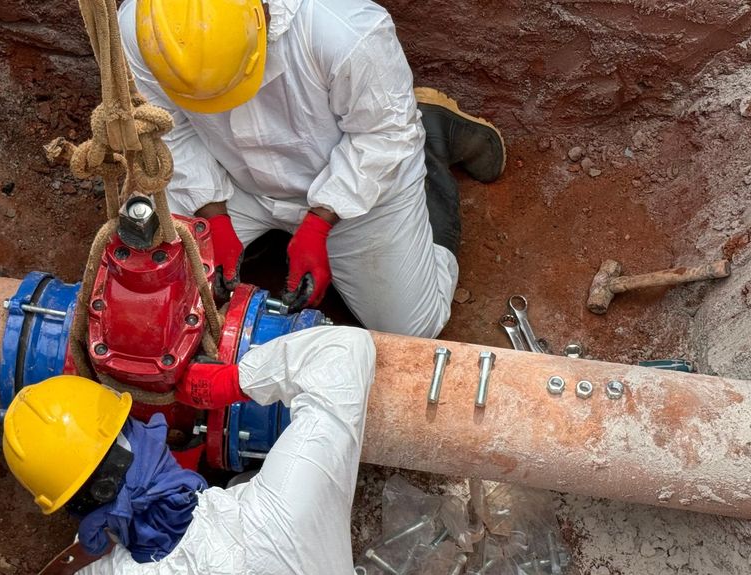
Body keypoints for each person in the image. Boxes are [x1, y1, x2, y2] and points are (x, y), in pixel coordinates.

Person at [1, 327, 380, 575]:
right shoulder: (285, 507)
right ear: (139, 435)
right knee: (246, 482)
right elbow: (345, 349)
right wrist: (233, 381)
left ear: (71, 505)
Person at [119, 0, 505, 338]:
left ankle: (430, 138)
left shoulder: (344, 30)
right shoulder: (146, 28)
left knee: (412, 328)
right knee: (148, 294)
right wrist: (213, 219)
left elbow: (383, 135)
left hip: (354, 172)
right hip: (233, 178)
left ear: (261, 20)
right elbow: (170, 131)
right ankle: (263, 234)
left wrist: (319, 223)